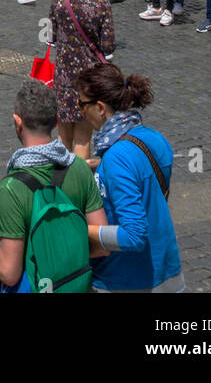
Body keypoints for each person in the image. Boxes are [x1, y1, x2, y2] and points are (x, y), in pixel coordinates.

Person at [0, 77, 107, 291]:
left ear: (17, 122)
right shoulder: (80, 168)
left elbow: (9, 273)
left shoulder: (12, 188)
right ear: (56, 122)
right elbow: (102, 243)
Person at [77, 61, 184, 292]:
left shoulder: (116, 158)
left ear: (100, 107)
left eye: (82, 105)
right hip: (168, 273)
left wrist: (79, 229)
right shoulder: (153, 138)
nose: (81, 113)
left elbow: (134, 235)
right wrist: (102, 166)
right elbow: (147, 185)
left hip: (126, 280)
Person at [49, 0, 115, 157]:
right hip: (88, 79)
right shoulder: (101, 3)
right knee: (83, 137)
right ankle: (78, 185)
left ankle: (61, 183)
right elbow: (108, 45)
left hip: (63, 75)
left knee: (63, 135)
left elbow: (53, 34)